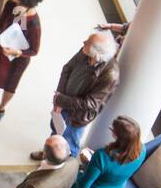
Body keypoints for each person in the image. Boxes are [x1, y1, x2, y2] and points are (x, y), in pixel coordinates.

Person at [41, 30, 120, 159]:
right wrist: (59, 98)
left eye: (88, 42)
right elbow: (67, 69)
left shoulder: (110, 74)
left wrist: (61, 99)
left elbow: (91, 103)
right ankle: (49, 155)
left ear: (97, 53)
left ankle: (61, 168)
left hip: (78, 116)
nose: (84, 42)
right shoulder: (85, 51)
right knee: (55, 132)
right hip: (62, 104)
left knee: (69, 144)